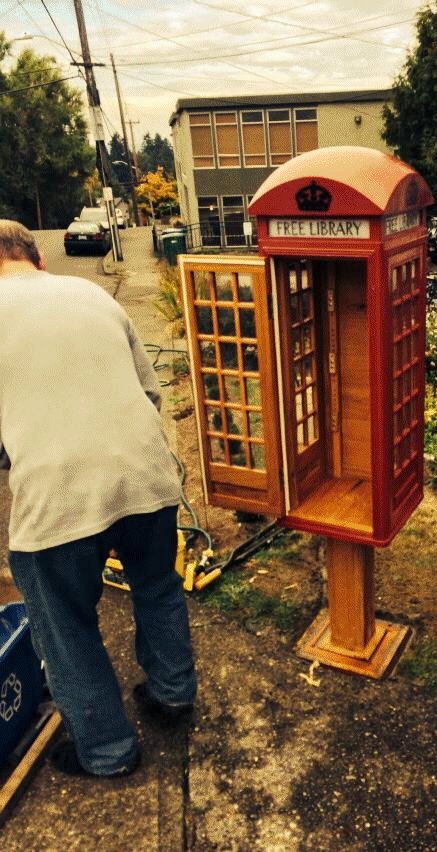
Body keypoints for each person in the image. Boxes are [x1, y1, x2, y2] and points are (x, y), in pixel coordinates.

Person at [0, 220, 197, 778]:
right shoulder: (91, 294)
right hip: (146, 475)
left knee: (64, 625)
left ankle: (108, 751)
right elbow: (151, 394)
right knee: (157, 586)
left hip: (58, 495)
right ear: (38, 259)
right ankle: (173, 695)